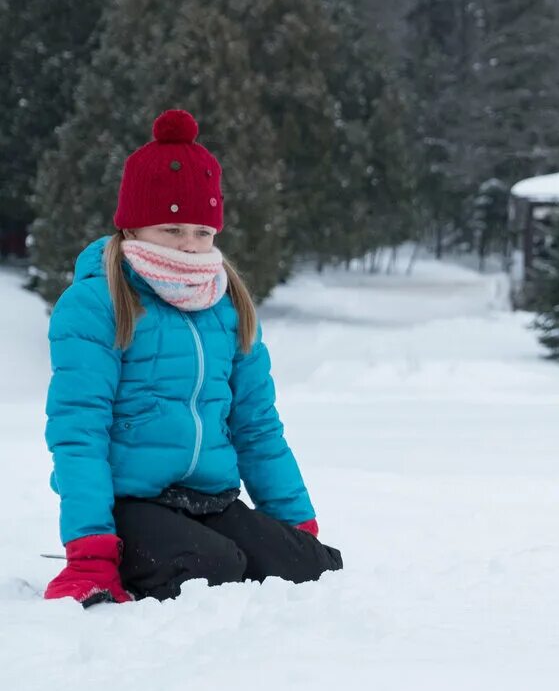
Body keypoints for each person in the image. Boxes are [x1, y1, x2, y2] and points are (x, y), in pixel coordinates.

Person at [43, 109, 342, 606]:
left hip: (211, 500)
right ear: (132, 227)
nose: (188, 246)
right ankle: (132, 558)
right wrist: (89, 550)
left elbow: (257, 426)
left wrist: (293, 527)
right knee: (215, 570)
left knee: (308, 567)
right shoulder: (97, 304)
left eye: (202, 233)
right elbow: (79, 431)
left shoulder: (227, 306)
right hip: (130, 504)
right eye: (170, 229)